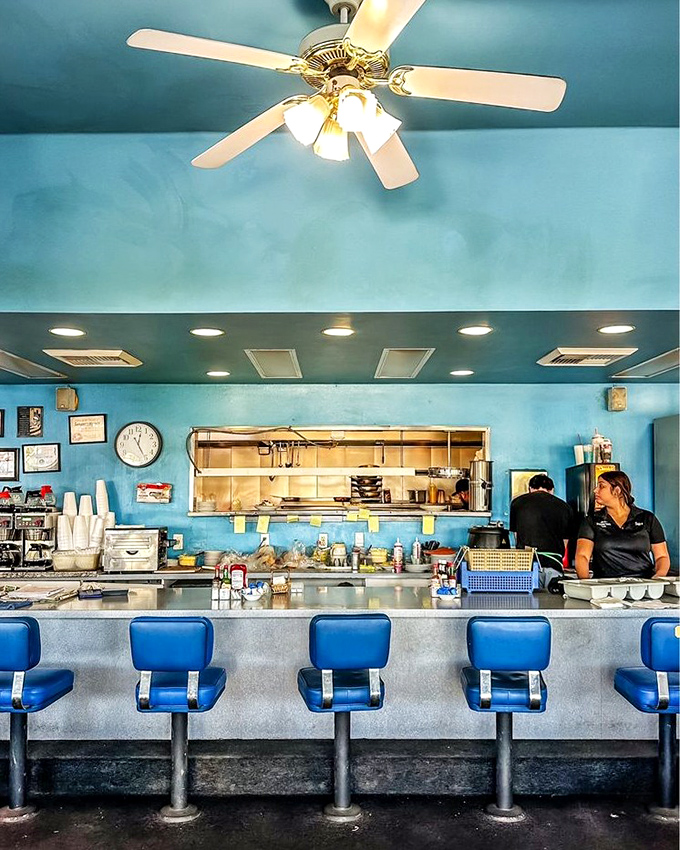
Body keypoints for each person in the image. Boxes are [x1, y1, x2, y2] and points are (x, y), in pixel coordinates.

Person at [575, 470, 670, 579]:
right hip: (604, 588)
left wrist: (658, 578)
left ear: (617, 490)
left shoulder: (647, 518)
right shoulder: (591, 520)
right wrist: (586, 584)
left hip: (643, 585)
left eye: (601, 486)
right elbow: (582, 556)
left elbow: (661, 556)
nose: (595, 490)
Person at [509, 474, 573, 579]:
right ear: (551, 490)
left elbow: (517, 535)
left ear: (530, 488)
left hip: (526, 564)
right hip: (553, 563)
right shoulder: (564, 507)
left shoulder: (517, 503)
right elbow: (565, 541)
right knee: (552, 595)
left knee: (528, 594)